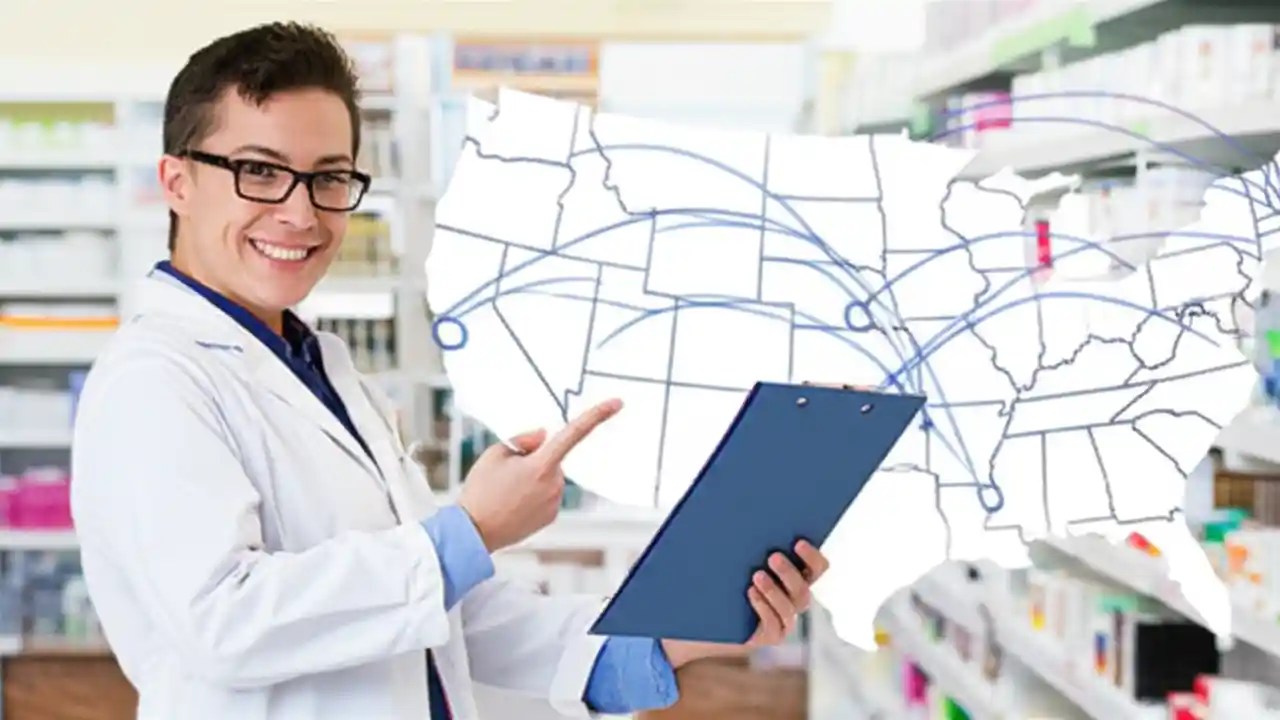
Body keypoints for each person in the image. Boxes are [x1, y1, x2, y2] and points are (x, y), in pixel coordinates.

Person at [69, 21, 831, 720]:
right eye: (260, 173)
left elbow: (453, 618)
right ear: (176, 182)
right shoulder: (154, 381)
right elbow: (223, 623)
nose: (301, 213)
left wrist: (687, 629)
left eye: (329, 177)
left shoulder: (322, 368)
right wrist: (467, 531)